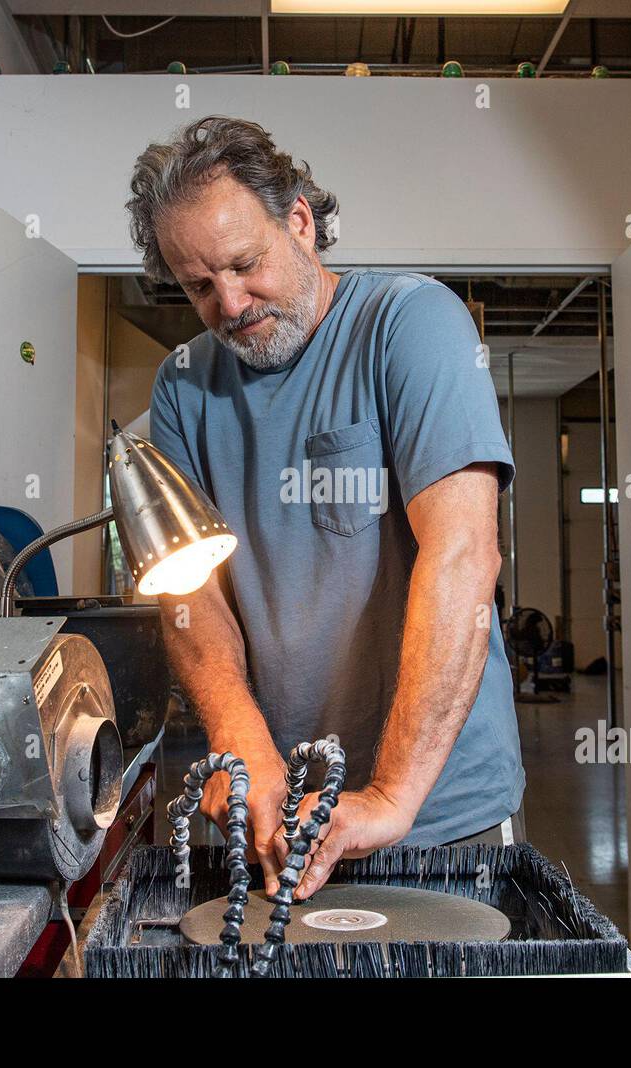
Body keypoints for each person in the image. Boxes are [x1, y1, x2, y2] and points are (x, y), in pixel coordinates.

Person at [128, 116, 524, 900]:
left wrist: (391, 797)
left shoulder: (410, 324)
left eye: (245, 265)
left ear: (300, 221)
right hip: (288, 818)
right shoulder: (182, 386)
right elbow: (189, 591)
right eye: (199, 286)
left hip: (439, 815)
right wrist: (239, 736)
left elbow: (463, 555)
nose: (231, 303)